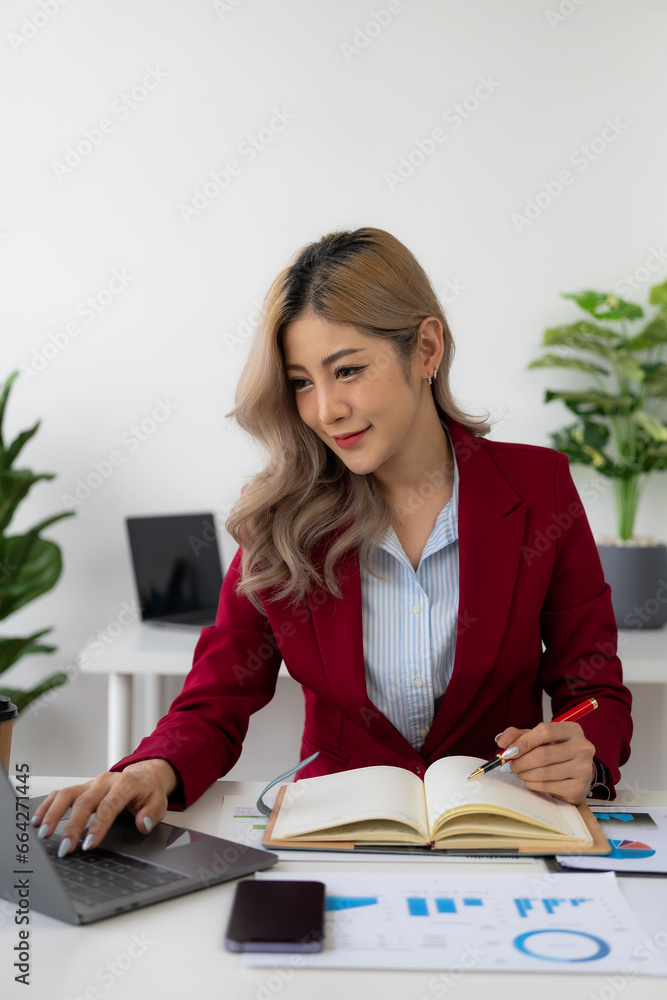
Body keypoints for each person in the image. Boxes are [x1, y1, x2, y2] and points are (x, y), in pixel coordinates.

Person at [33, 227, 632, 857]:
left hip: (500, 830)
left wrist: (585, 755)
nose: (325, 410)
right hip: (335, 839)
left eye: (347, 370)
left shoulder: (539, 488)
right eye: (300, 382)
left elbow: (594, 690)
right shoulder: (280, 518)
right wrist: (150, 770)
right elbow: (215, 702)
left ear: (426, 348)